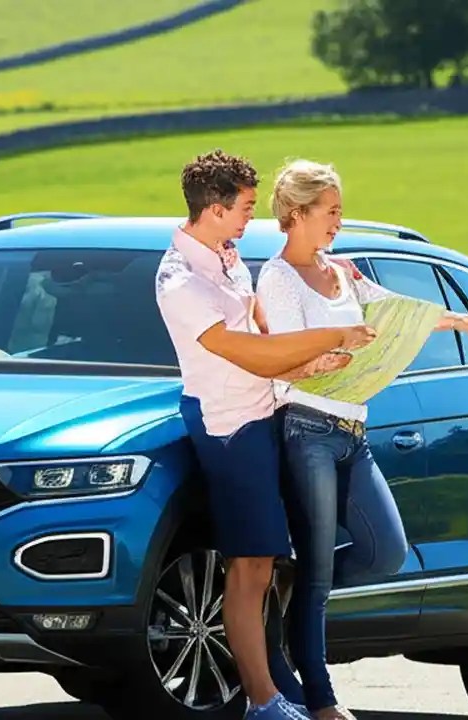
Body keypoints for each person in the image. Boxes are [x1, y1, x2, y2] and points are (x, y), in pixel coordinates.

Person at [256, 159, 468, 720]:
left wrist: (461, 324)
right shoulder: (277, 278)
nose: (338, 220)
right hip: (307, 431)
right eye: (332, 210)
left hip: (353, 433)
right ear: (297, 214)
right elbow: (287, 356)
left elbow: (397, 314)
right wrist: (327, 355)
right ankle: (319, 699)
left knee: (386, 551)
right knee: (318, 569)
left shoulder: (341, 270)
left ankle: (286, 597)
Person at [155, 149, 376, 720]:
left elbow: (261, 328)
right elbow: (247, 352)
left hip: (268, 413)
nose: (254, 218)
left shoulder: (228, 257)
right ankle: (262, 700)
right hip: (231, 426)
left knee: (275, 560)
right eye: (246, 207)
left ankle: (278, 681)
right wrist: (334, 338)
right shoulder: (179, 281)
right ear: (214, 207)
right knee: (250, 562)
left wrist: (303, 367)